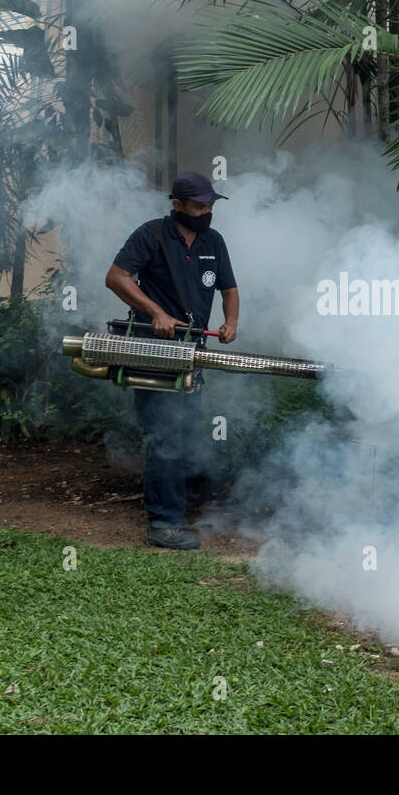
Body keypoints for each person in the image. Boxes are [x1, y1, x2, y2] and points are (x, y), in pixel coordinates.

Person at [104, 171, 239, 550]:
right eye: (199, 207)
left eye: (210, 206)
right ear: (177, 205)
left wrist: (231, 322)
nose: (206, 213)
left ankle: (173, 507)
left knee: (184, 431)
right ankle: (163, 523)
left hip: (192, 352)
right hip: (154, 350)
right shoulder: (151, 234)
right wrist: (156, 313)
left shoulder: (214, 241)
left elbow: (229, 289)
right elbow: (116, 278)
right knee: (165, 432)